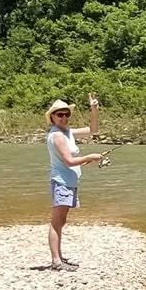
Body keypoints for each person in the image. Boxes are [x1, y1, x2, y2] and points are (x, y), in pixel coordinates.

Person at [46, 93, 107, 271]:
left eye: (67, 114)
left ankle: (59, 257)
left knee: (61, 220)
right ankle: (56, 261)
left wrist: (94, 109)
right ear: (52, 117)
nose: (64, 117)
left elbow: (92, 130)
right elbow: (69, 161)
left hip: (69, 181)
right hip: (61, 182)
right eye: (60, 114)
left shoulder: (67, 133)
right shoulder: (57, 136)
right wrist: (91, 157)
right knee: (57, 221)